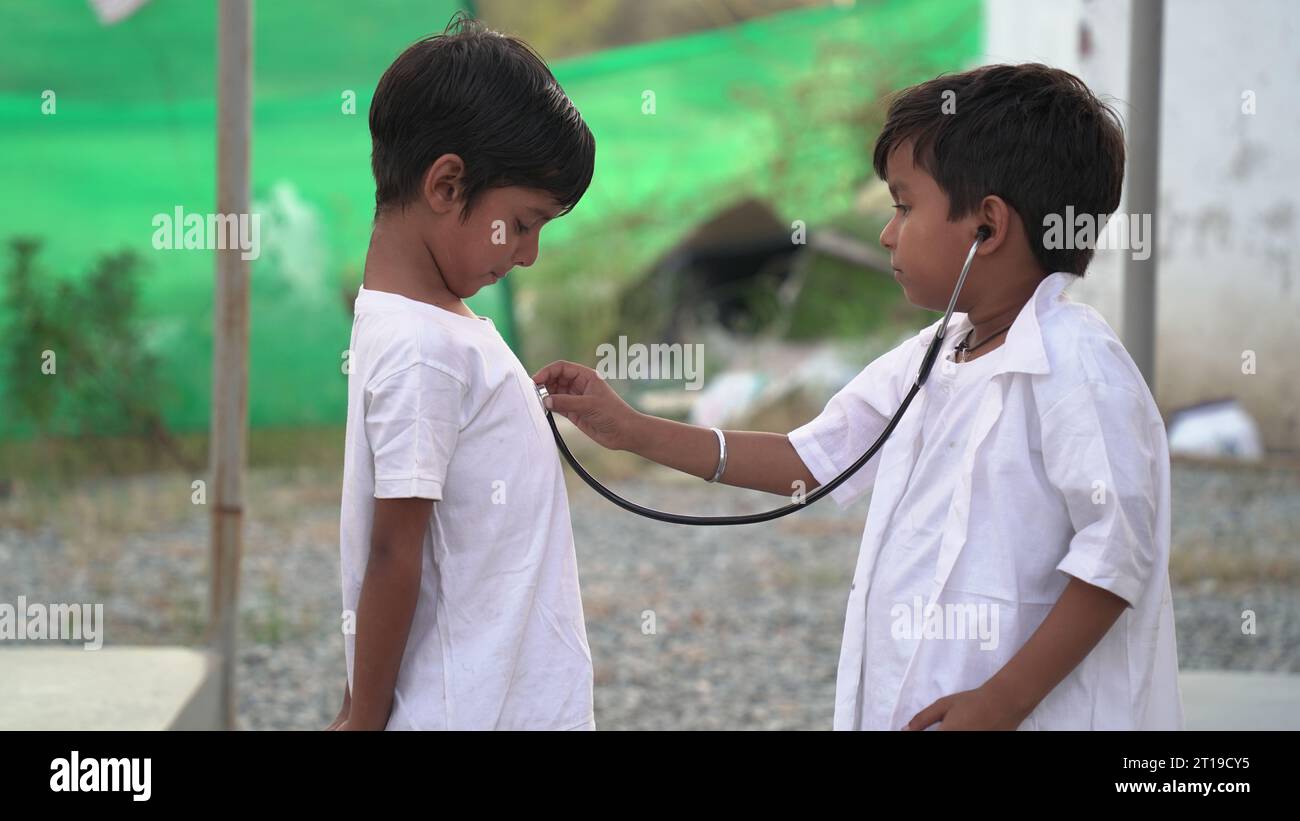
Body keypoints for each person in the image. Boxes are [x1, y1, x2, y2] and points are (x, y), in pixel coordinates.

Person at [533, 63, 1182, 730]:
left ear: (986, 227)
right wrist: (631, 428)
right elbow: (808, 458)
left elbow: (1115, 557)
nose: (887, 232)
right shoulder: (934, 353)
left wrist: (1003, 700)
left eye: (904, 205)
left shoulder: (1079, 366)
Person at [329, 15, 597, 730]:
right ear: (447, 185)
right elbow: (392, 553)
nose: (530, 253)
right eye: (524, 222)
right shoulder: (424, 347)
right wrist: (361, 718)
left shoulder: (432, 326)